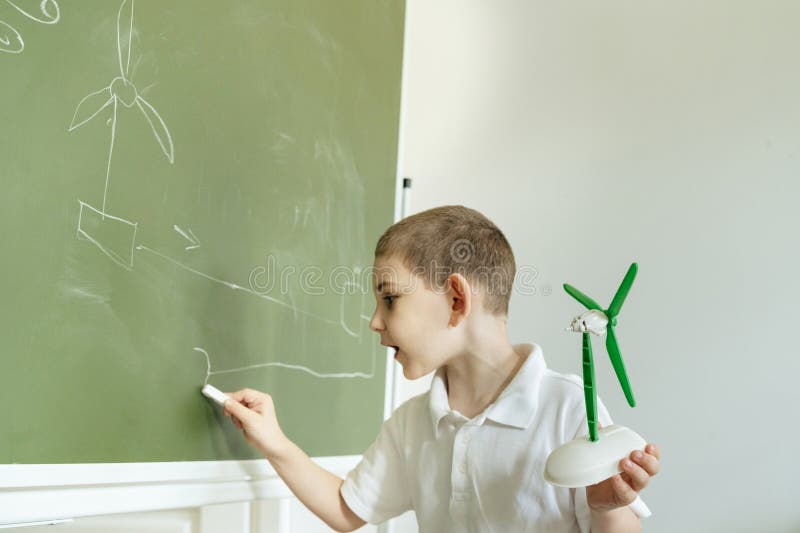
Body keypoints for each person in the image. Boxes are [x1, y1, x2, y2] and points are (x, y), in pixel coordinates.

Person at [223, 205, 661, 532]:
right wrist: (274, 442)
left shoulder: (567, 408)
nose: (374, 321)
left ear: (456, 300)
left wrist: (608, 506)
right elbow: (347, 508)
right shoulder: (412, 424)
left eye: (389, 298)